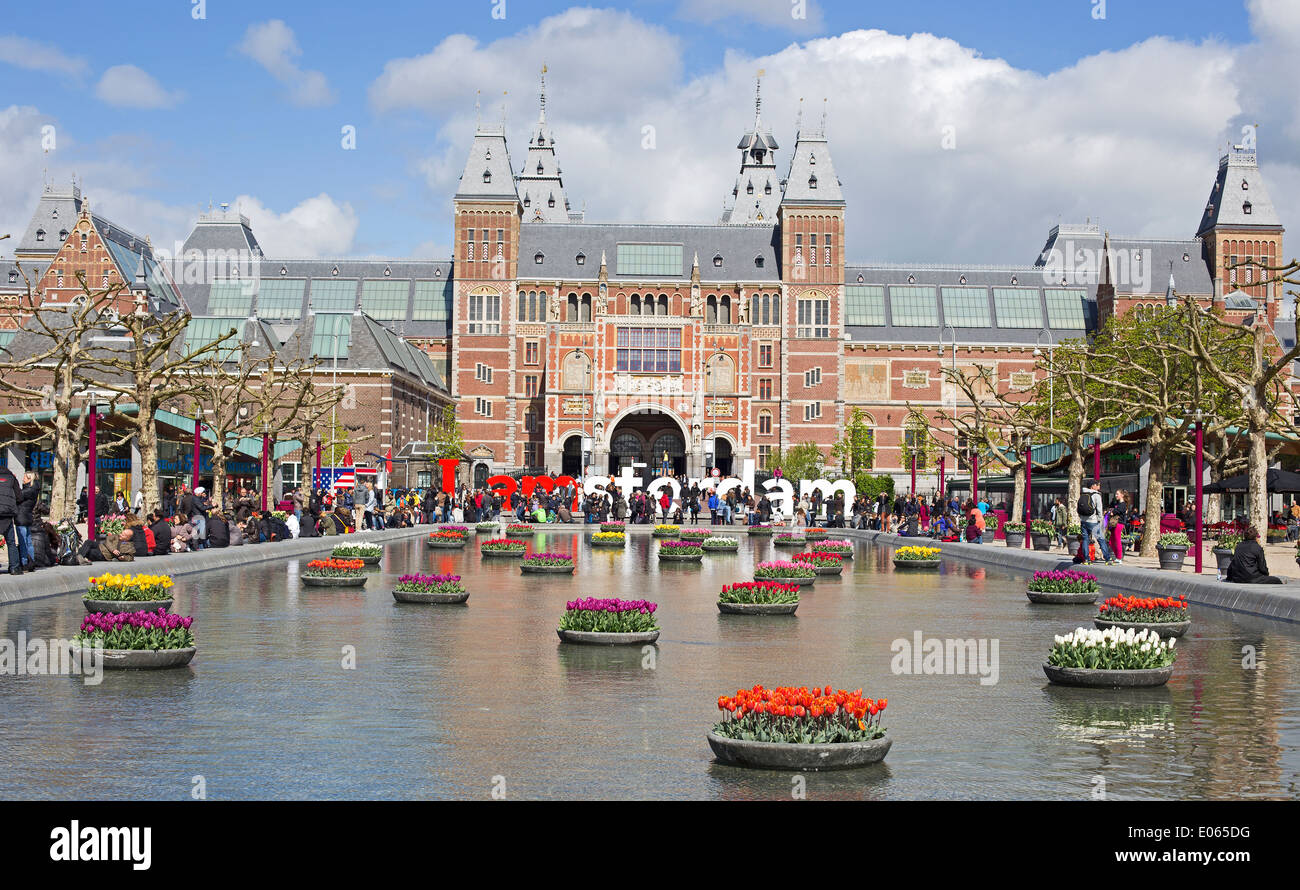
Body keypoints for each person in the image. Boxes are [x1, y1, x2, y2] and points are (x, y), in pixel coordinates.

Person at [1077, 481, 1115, 565]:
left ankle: (1086, 559)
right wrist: (1100, 520)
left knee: (1085, 539)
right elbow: (1099, 509)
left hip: (1083, 520)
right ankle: (1107, 559)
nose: (1099, 487)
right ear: (1092, 486)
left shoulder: (1083, 494)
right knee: (1101, 539)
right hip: (1093, 521)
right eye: (1097, 485)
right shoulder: (1096, 495)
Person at [0, 465, 23, 575]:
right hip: (7, 514)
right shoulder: (11, 478)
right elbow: (19, 496)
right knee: (11, 542)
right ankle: (14, 567)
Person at [16, 472, 40, 571]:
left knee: (23, 541)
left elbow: (17, 496)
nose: (23, 479)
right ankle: (31, 562)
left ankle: (25, 562)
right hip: (28, 516)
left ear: (30, 479)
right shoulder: (34, 489)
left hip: (21, 517)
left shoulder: (27, 491)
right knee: (28, 541)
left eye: (25, 478)